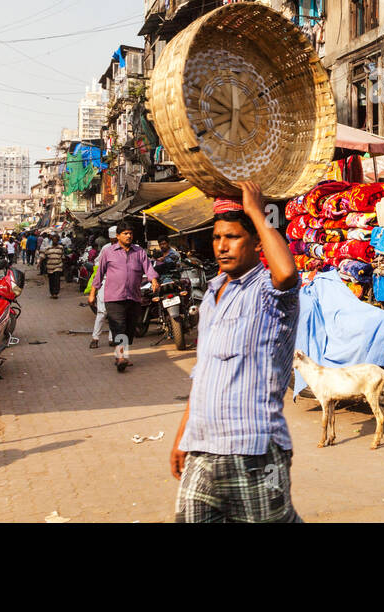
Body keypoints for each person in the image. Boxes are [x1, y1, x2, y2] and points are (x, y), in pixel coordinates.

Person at [170, 183, 301, 523]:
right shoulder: (213, 294)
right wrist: (183, 435)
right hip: (202, 451)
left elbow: (287, 272)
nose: (222, 246)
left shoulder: (268, 291)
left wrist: (257, 211)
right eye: (216, 238)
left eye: (233, 237)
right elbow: (204, 373)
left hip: (255, 452)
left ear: (257, 242)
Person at [91, 221, 158, 373]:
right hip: (114, 297)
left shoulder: (139, 252)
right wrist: (93, 293)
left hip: (133, 296)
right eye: (125, 233)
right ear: (118, 236)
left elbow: (148, 268)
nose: (128, 236)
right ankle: (121, 358)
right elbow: (99, 273)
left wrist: (153, 279)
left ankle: (121, 355)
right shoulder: (108, 252)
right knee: (118, 325)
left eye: (130, 234)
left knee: (129, 327)